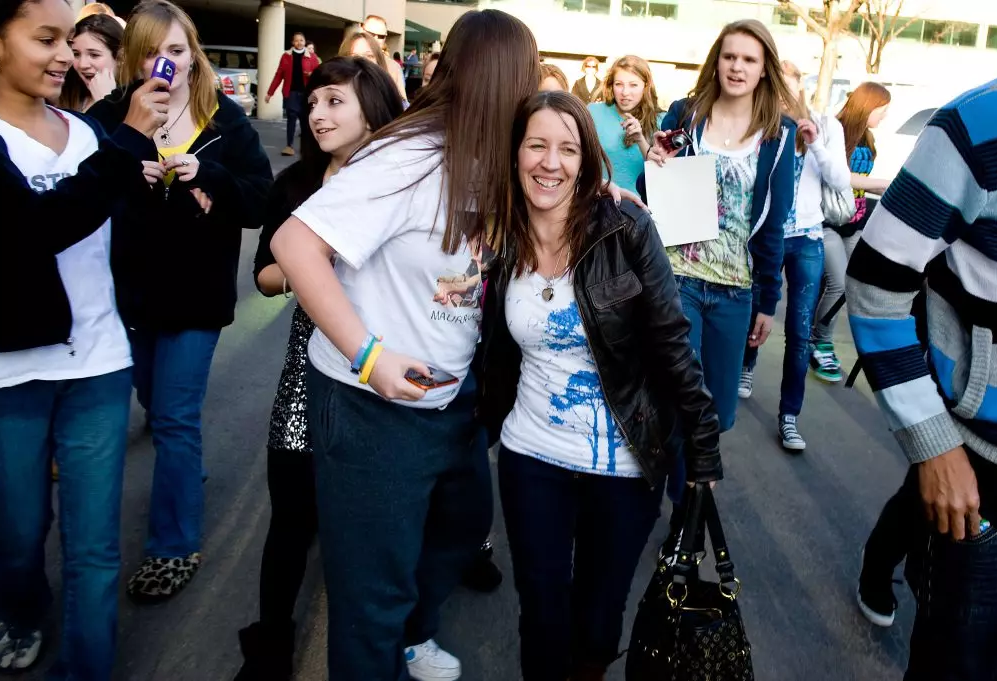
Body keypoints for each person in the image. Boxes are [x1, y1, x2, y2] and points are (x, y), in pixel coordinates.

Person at [269, 10, 539, 681]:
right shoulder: (406, 155)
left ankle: (412, 632)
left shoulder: (495, 158)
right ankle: (383, 646)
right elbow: (293, 246)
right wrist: (368, 355)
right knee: (371, 592)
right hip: (370, 406)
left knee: (461, 522)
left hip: (452, 401)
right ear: (500, 80)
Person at [476, 90, 722, 681]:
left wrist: (704, 448)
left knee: (598, 617)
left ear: (587, 160)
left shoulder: (625, 225)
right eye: (536, 145)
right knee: (540, 609)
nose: (550, 163)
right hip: (531, 454)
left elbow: (671, 338)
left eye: (567, 149)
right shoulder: (499, 235)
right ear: (515, 154)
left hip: (625, 463)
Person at [0, 0, 168, 673]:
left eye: (70, 39)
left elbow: (124, 234)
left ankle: (87, 665)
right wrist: (125, 142)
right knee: (18, 532)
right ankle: (20, 608)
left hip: (98, 363)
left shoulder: (88, 135)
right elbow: (33, 231)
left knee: (94, 546)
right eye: (45, 38)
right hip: (7, 374)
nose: (64, 54)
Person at [87, 0, 273, 604]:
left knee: (173, 417)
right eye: (151, 51)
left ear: (192, 54)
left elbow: (258, 201)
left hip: (197, 297)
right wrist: (127, 173)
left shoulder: (227, 121)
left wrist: (208, 178)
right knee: (150, 393)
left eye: (175, 50)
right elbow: (84, 204)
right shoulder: (115, 118)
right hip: (131, 297)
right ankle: (181, 474)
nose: (164, 64)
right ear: (132, 60)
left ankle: (173, 546)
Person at [234, 57, 404, 681]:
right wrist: (304, 265)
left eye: (336, 102)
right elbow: (264, 276)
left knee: (368, 522)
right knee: (290, 515)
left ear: (373, 110)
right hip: (309, 370)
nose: (319, 114)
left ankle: (383, 640)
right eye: (315, 103)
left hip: (385, 370)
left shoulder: (399, 182)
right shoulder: (297, 186)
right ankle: (272, 643)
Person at [846, 73, 997, 680]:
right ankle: (881, 564)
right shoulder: (978, 126)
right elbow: (874, 281)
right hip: (982, 471)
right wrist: (932, 443)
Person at [645, 20, 795, 464]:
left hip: (735, 289)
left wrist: (769, 300)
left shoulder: (778, 134)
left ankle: (689, 502)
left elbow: (774, 225)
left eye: (749, 59)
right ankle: (675, 514)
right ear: (717, 61)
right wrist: (655, 162)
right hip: (677, 280)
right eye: (730, 56)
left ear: (764, 68)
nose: (737, 67)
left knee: (719, 414)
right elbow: (652, 189)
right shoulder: (686, 114)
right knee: (676, 401)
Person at [737, 60, 850, 451]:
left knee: (800, 333)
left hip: (807, 238)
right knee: (756, 309)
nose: (781, 99)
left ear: (799, 87)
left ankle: (789, 416)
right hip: (767, 238)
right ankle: (747, 365)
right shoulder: (761, 125)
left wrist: (815, 141)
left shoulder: (827, 125)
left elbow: (839, 179)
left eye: (788, 89)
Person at [809, 82, 891, 383]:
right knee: (838, 284)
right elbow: (835, 174)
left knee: (856, 284)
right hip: (828, 221)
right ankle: (820, 342)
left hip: (853, 223)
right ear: (870, 106)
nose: (884, 116)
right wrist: (876, 184)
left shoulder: (867, 136)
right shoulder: (838, 130)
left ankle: (817, 337)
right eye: (883, 109)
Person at [588, 55, 662, 194]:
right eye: (619, 84)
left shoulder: (661, 121)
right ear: (611, 85)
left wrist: (640, 140)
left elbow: (662, 173)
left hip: (640, 209)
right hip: (597, 203)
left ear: (646, 86)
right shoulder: (593, 112)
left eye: (633, 85)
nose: (625, 92)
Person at [265, 31, 318, 156]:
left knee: (306, 122)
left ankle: (307, 147)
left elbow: (319, 74)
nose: (299, 43)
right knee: (291, 120)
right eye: (296, 40)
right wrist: (270, 93)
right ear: (292, 42)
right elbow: (279, 75)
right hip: (291, 93)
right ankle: (289, 146)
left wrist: (311, 75)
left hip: (306, 94)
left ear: (305, 42)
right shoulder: (286, 56)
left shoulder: (312, 56)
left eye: (301, 40)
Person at [58, 13, 122, 112]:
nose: (82, 65)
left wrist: (105, 103)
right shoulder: (62, 97)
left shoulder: (136, 102)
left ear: (120, 58)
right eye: (76, 54)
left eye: (94, 55)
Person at [361, 14, 409, 101]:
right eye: (370, 34)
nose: (375, 40)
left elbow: (403, 104)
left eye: (381, 36)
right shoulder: (346, 61)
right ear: (361, 30)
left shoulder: (393, 68)